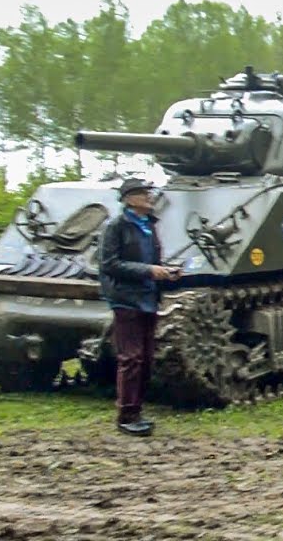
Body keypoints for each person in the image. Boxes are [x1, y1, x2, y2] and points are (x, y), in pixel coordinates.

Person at [100, 178, 180, 436]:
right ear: (129, 199)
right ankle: (127, 415)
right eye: (143, 193)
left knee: (145, 358)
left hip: (147, 297)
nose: (149, 197)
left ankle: (137, 409)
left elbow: (149, 260)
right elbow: (109, 264)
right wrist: (149, 270)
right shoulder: (116, 227)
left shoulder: (148, 226)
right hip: (126, 298)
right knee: (131, 358)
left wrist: (165, 272)